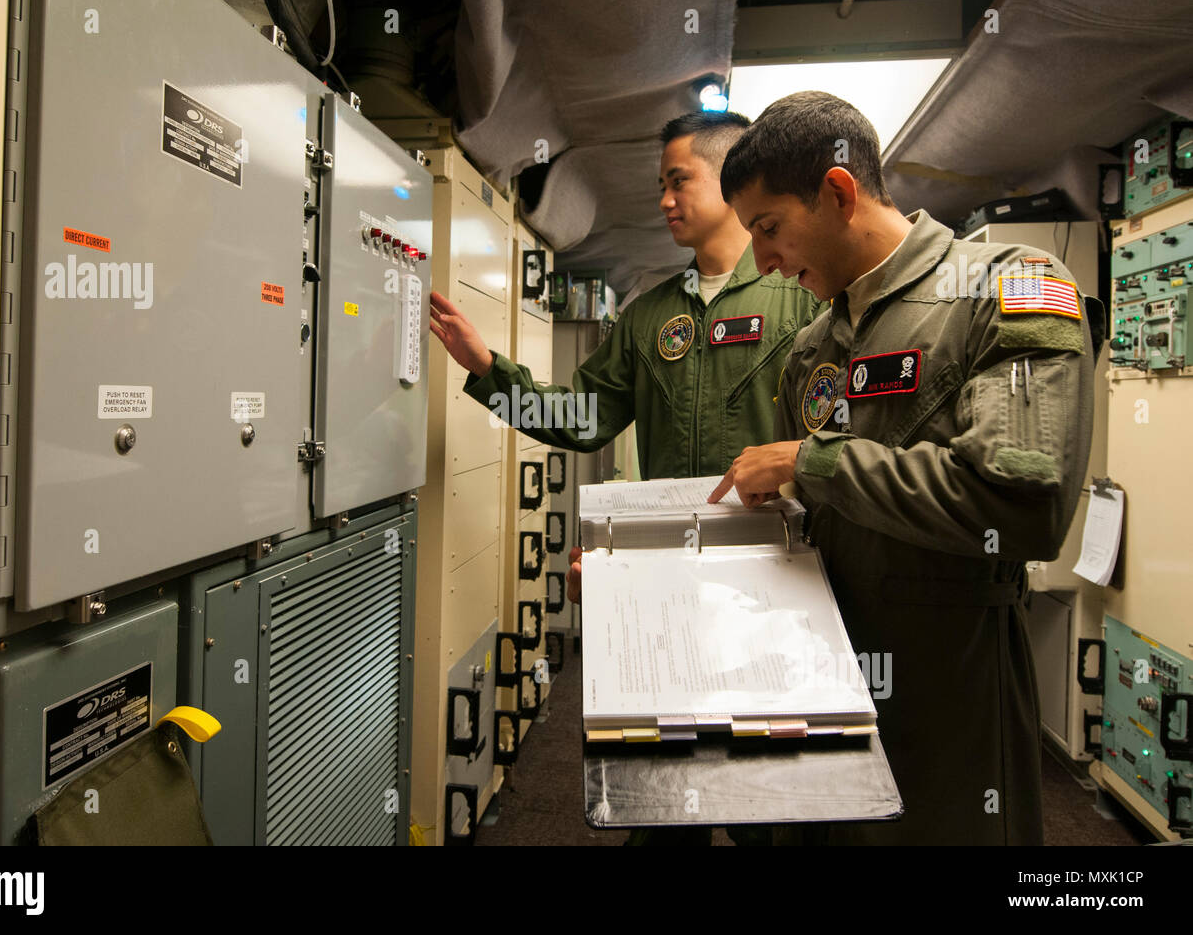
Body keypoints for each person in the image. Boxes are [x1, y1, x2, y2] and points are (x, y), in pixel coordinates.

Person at [710, 91, 1100, 845]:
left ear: (837, 192)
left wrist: (810, 460)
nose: (763, 262)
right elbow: (805, 526)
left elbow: (1022, 503)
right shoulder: (811, 349)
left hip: (950, 702)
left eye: (769, 228)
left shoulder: (1010, 288)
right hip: (822, 692)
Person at [429, 111, 819, 603]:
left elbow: (838, 443)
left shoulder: (800, 297)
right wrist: (488, 370)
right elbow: (582, 419)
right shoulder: (648, 316)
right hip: (677, 567)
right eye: (661, 185)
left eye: (679, 182)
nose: (664, 200)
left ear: (731, 181)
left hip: (774, 566)